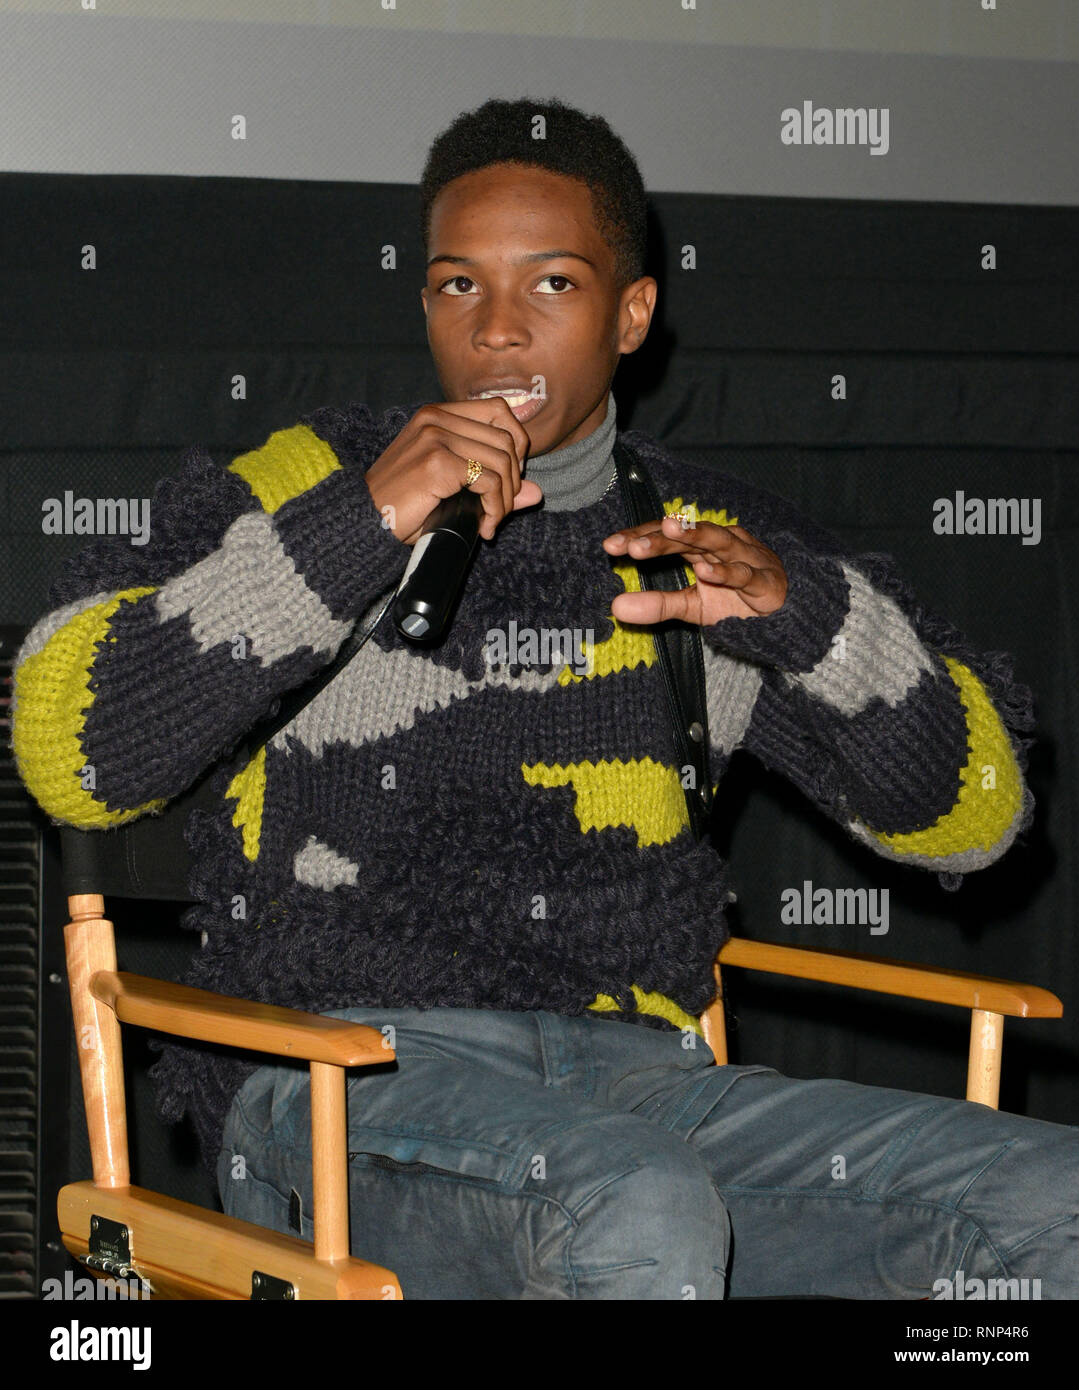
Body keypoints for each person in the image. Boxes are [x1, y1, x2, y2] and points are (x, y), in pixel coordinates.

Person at [13, 97, 1077, 1300]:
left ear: (630, 314)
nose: (500, 333)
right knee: (633, 1201)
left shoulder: (697, 539)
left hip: (647, 1086)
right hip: (338, 1087)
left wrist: (813, 626)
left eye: (553, 286)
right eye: (458, 286)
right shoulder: (313, 481)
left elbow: (979, 813)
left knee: (1050, 1205)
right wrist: (360, 526)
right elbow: (69, 748)